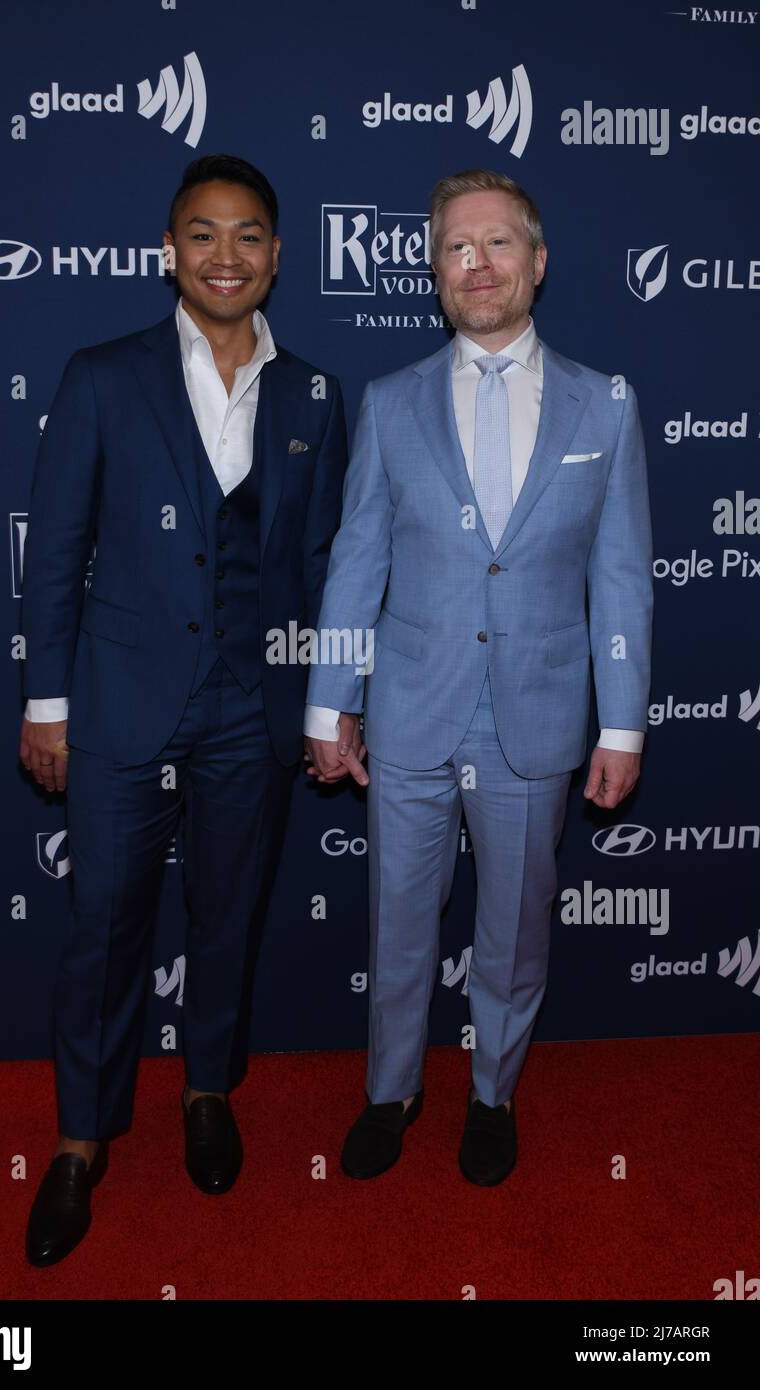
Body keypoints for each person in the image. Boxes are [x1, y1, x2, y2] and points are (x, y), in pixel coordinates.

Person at [19, 153, 348, 1265]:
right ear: (170, 250)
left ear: (276, 254)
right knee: (103, 927)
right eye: (203, 234)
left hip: (251, 709)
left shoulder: (312, 392)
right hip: (119, 699)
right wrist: (47, 702)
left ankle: (209, 1091)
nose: (225, 255)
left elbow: (320, 563)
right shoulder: (104, 374)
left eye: (247, 235)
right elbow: (56, 551)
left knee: (227, 917)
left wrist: (326, 700)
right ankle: (80, 1141)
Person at [304, 167, 653, 1187]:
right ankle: (392, 1088)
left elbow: (622, 577)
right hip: (411, 708)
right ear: (432, 270)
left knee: (511, 930)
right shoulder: (388, 401)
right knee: (399, 920)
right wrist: (332, 701)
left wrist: (622, 727)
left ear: (537, 263)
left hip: (538, 718)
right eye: (457, 247)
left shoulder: (606, 406)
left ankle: (491, 1090)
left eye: (499, 242)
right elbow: (356, 560)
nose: (478, 263)